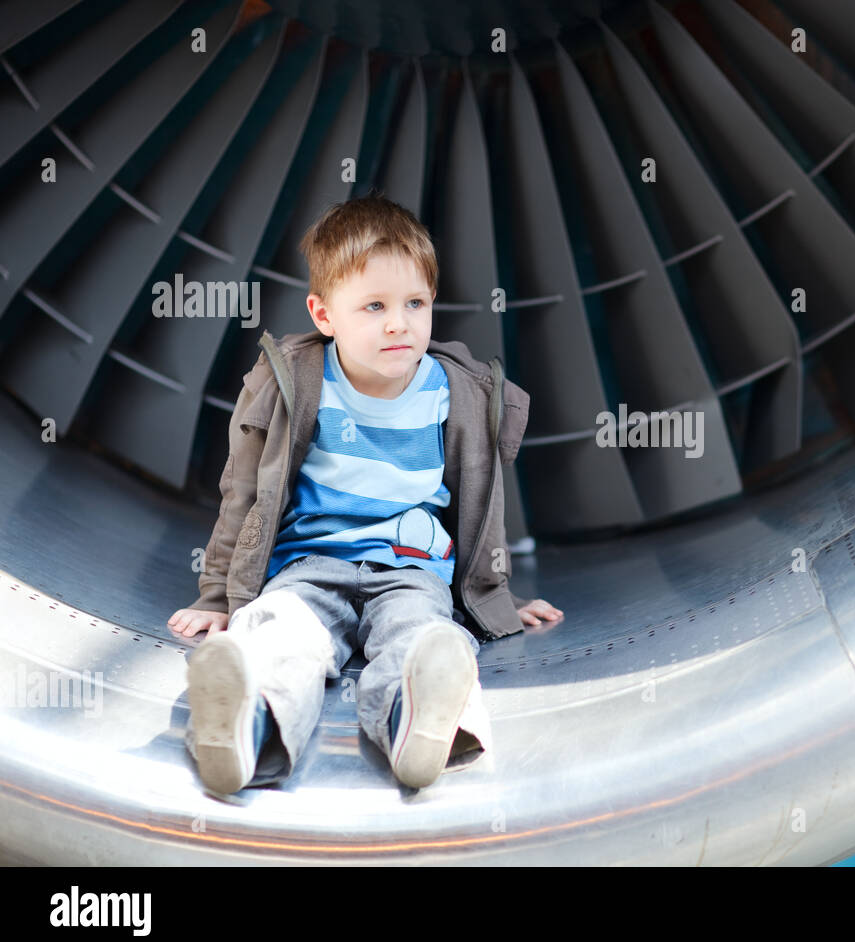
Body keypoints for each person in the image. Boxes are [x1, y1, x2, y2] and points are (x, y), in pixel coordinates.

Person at [167, 193, 562, 794]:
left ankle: (419, 723)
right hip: (307, 565)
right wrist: (220, 595)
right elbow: (243, 491)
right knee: (279, 634)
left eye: (415, 303)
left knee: (424, 637)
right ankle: (244, 728)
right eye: (374, 306)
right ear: (324, 315)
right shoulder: (294, 384)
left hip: (412, 570)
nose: (399, 323)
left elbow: (482, 503)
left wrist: (497, 596)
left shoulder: (455, 393)